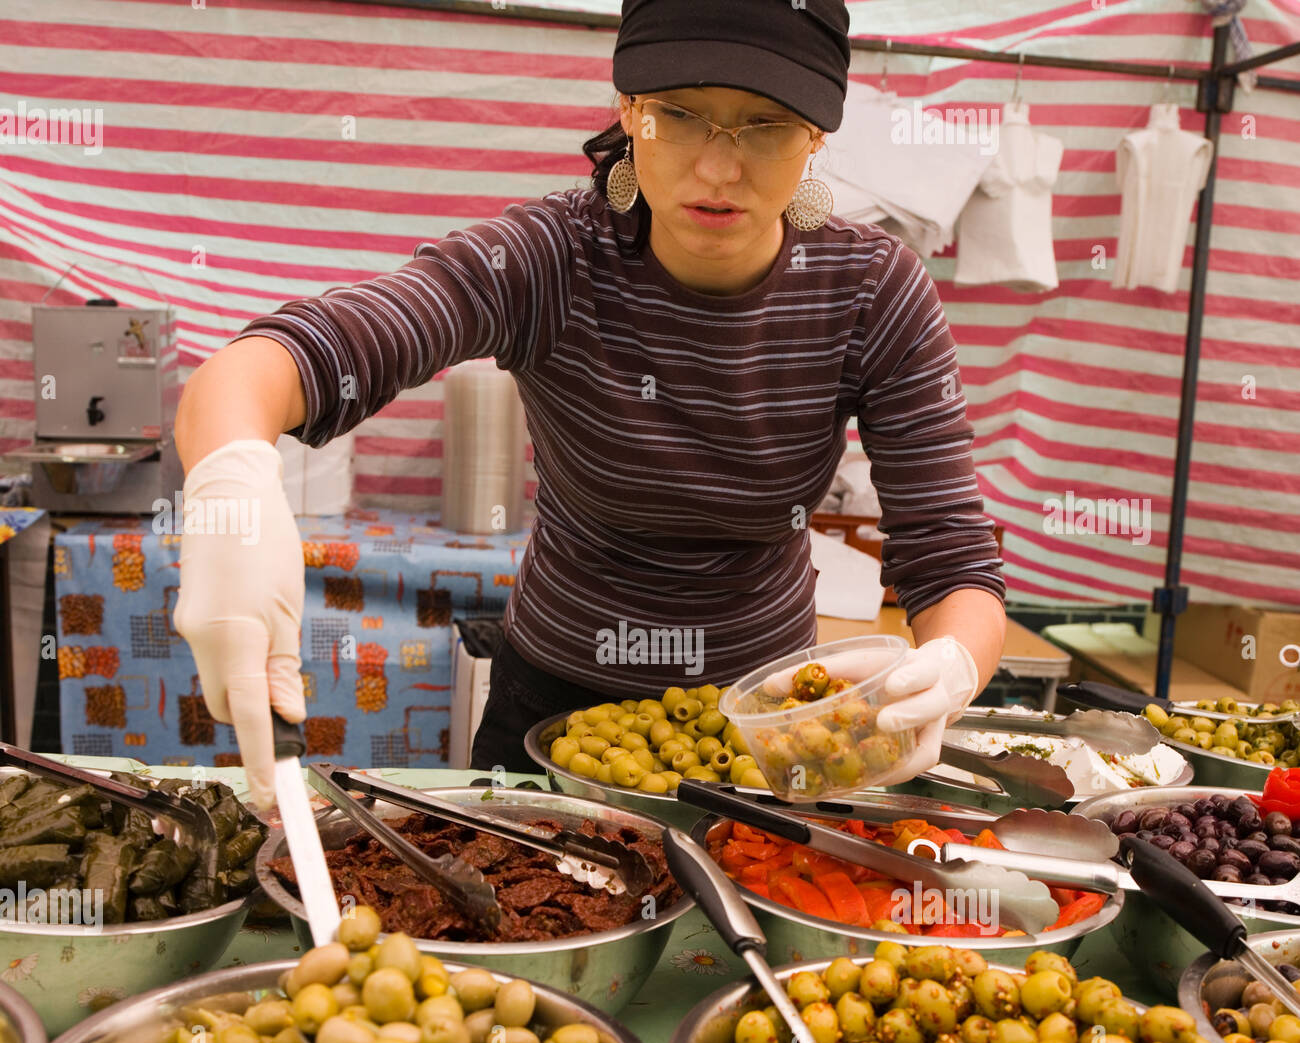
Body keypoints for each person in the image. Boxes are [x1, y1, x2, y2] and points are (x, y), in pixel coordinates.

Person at [173, 0, 1005, 811]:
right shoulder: (552, 260)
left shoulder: (871, 292)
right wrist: (231, 486)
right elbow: (300, 356)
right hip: (550, 710)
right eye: (680, 116)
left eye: (767, 125)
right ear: (628, 110)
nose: (719, 168)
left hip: (767, 732)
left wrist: (955, 666)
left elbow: (953, 557)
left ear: (817, 136)